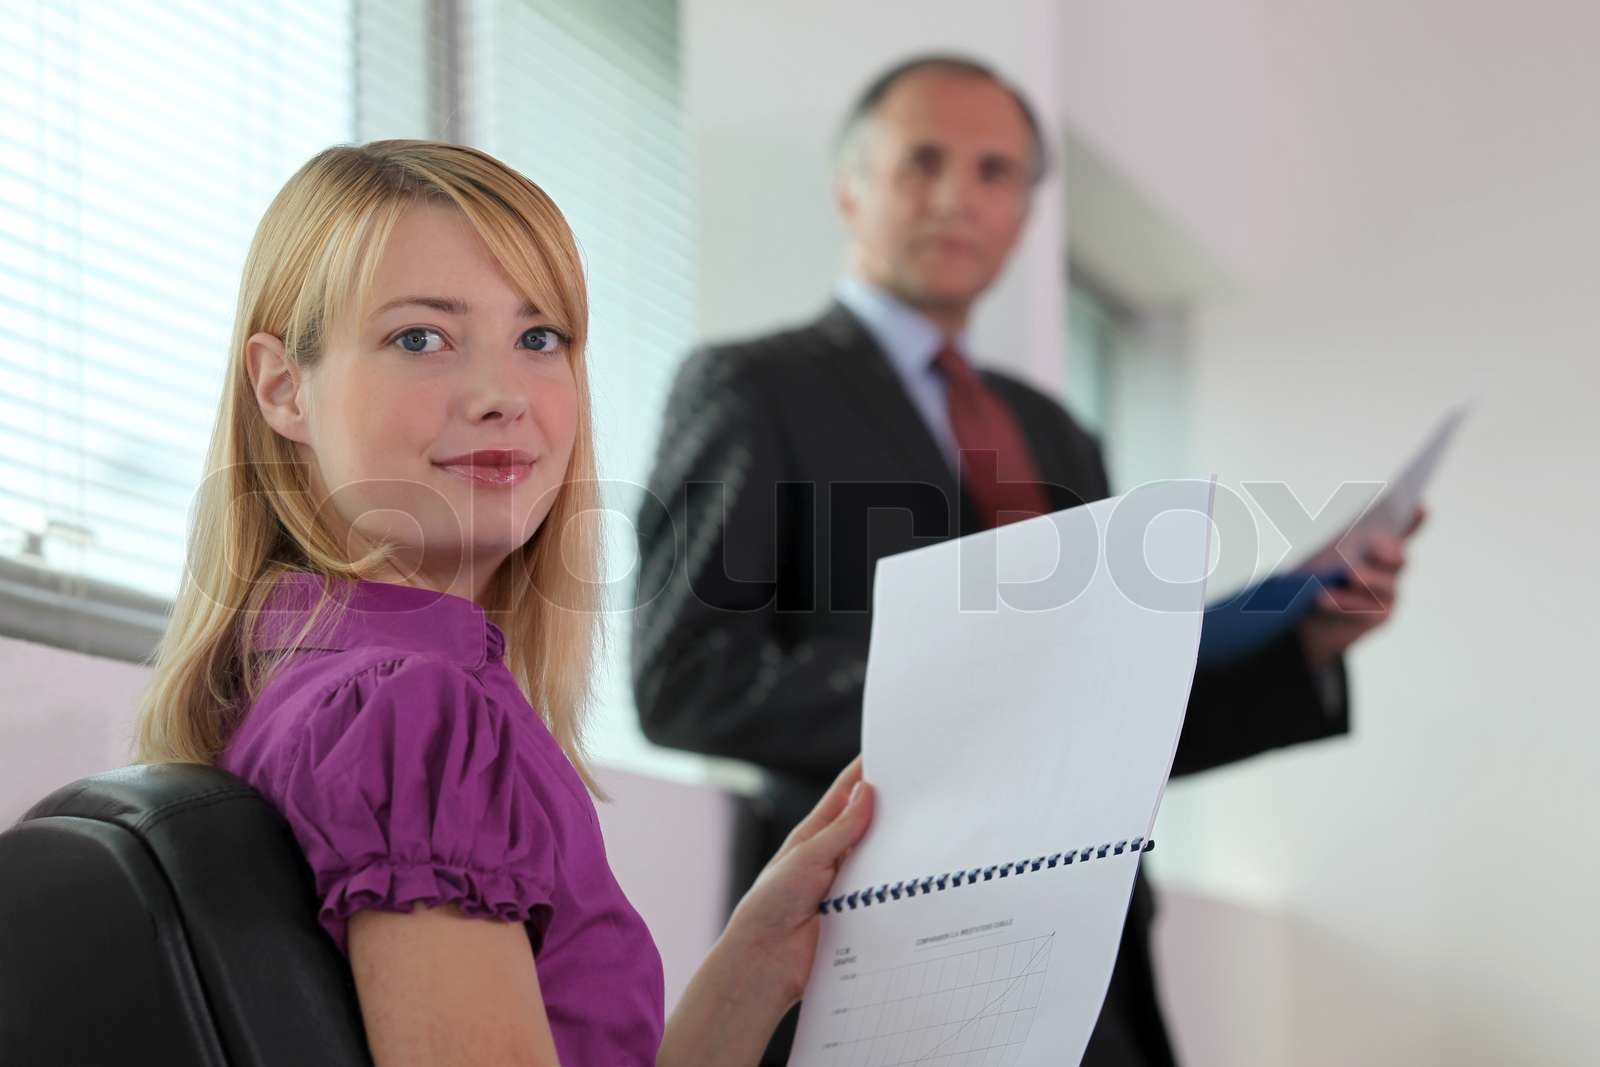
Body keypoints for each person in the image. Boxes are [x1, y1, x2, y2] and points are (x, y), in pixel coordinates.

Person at [631, 55, 1422, 1066]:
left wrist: (1301, 638)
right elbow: (684, 678)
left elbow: (1105, 719)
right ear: (849, 189)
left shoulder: (1054, 432)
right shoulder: (751, 386)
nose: (959, 195)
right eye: (922, 161)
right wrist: (961, 692)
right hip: (869, 948)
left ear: (1024, 212)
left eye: (996, 172)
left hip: (1087, 956)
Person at [129, 139, 878, 1067]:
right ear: (283, 387)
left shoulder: (305, 673)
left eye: (539, 339)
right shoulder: (410, 714)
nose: (501, 395)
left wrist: (754, 961)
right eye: (420, 337)